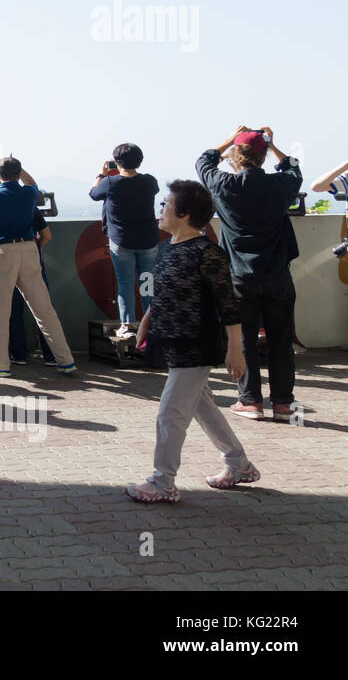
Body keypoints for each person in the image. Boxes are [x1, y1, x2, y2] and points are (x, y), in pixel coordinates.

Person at [125, 180, 260, 503]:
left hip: (196, 345)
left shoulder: (208, 253)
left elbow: (228, 305)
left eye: (166, 204)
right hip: (172, 340)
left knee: (170, 412)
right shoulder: (167, 247)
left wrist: (234, 350)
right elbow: (164, 294)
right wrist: (146, 322)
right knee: (202, 406)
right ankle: (238, 464)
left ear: (184, 213)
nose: (161, 209)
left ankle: (162, 482)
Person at [197, 126, 302, 423]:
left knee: (244, 339)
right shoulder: (281, 185)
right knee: (281, 340)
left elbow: (203, 161)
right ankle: (283, 403)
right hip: (278, 275)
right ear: (263, 157)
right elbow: (294, 168)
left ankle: (250, 401)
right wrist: (273, 144)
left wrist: (231, 138)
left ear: (235, 157)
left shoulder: (224, 184)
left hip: (239, 275)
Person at [0, 157, 77, 377]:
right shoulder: (29, 194)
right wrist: (19, 168)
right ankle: (65, 360)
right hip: (30, 250)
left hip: (3, 252)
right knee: (44, 310)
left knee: (0, 312)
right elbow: (32, 184)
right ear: (18, 172)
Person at [90, 143, 160, 340]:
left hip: (122, 242)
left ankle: (127, 325)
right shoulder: (149, 181)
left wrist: (101, 174)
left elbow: (94, 194)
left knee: (126, 283)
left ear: (117, 162)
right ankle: (151, 323)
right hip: (148, 241)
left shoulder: (110, 183)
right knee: (147, 282)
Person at [0, 176, 55, 366]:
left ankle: (18, 354)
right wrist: (35, 251)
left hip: (5, 262)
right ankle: (51, 355)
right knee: (43, 310)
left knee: (11, 311)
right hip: (32, 262)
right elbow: (47, 236)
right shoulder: (29, 207)